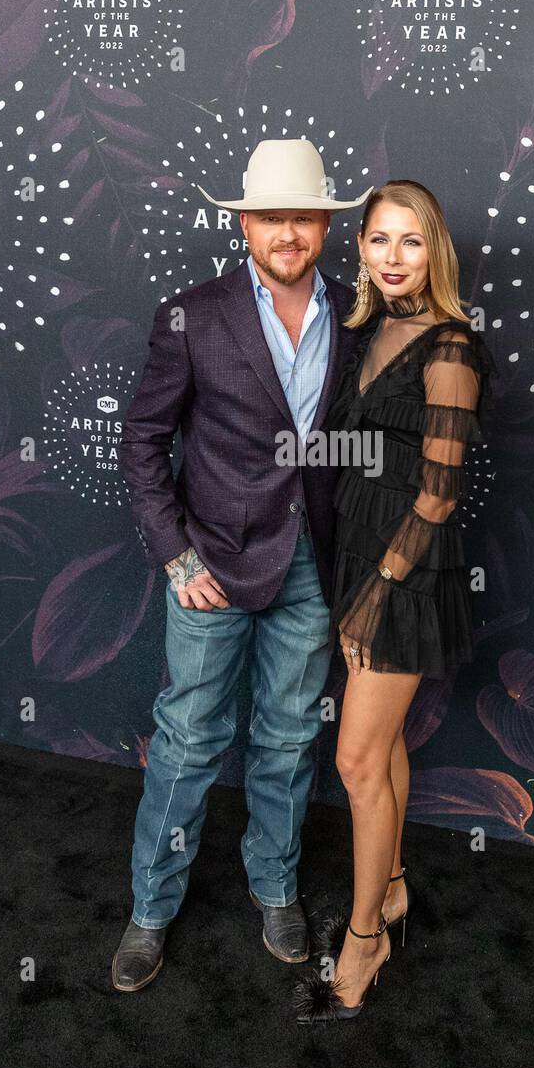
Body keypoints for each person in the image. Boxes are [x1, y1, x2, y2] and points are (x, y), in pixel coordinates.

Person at [111, 138, 372, 991]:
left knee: (291, 738)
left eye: (303, 216)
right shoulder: (193, 313)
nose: (287, 232)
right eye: (270, 218)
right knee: (188, 740)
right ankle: (150, 910)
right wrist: (174, 553)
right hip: (212, 565)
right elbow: (144, 438)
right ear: (245, 224)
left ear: (325, 225)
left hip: (310, 563)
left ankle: (275, 888)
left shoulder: (357, 310)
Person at [294, 180, 496, 1022]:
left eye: (411, 242)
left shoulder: (450, 348)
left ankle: (365, 940)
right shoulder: (367, 329)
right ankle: (399, 885)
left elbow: (443, 491)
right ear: (364, 250)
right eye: (379, 240)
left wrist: (379, 587)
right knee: (383, 748)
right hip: (356, 558)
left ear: (434, 252)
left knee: (353, 761)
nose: (393, 257)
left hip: (406, 575)